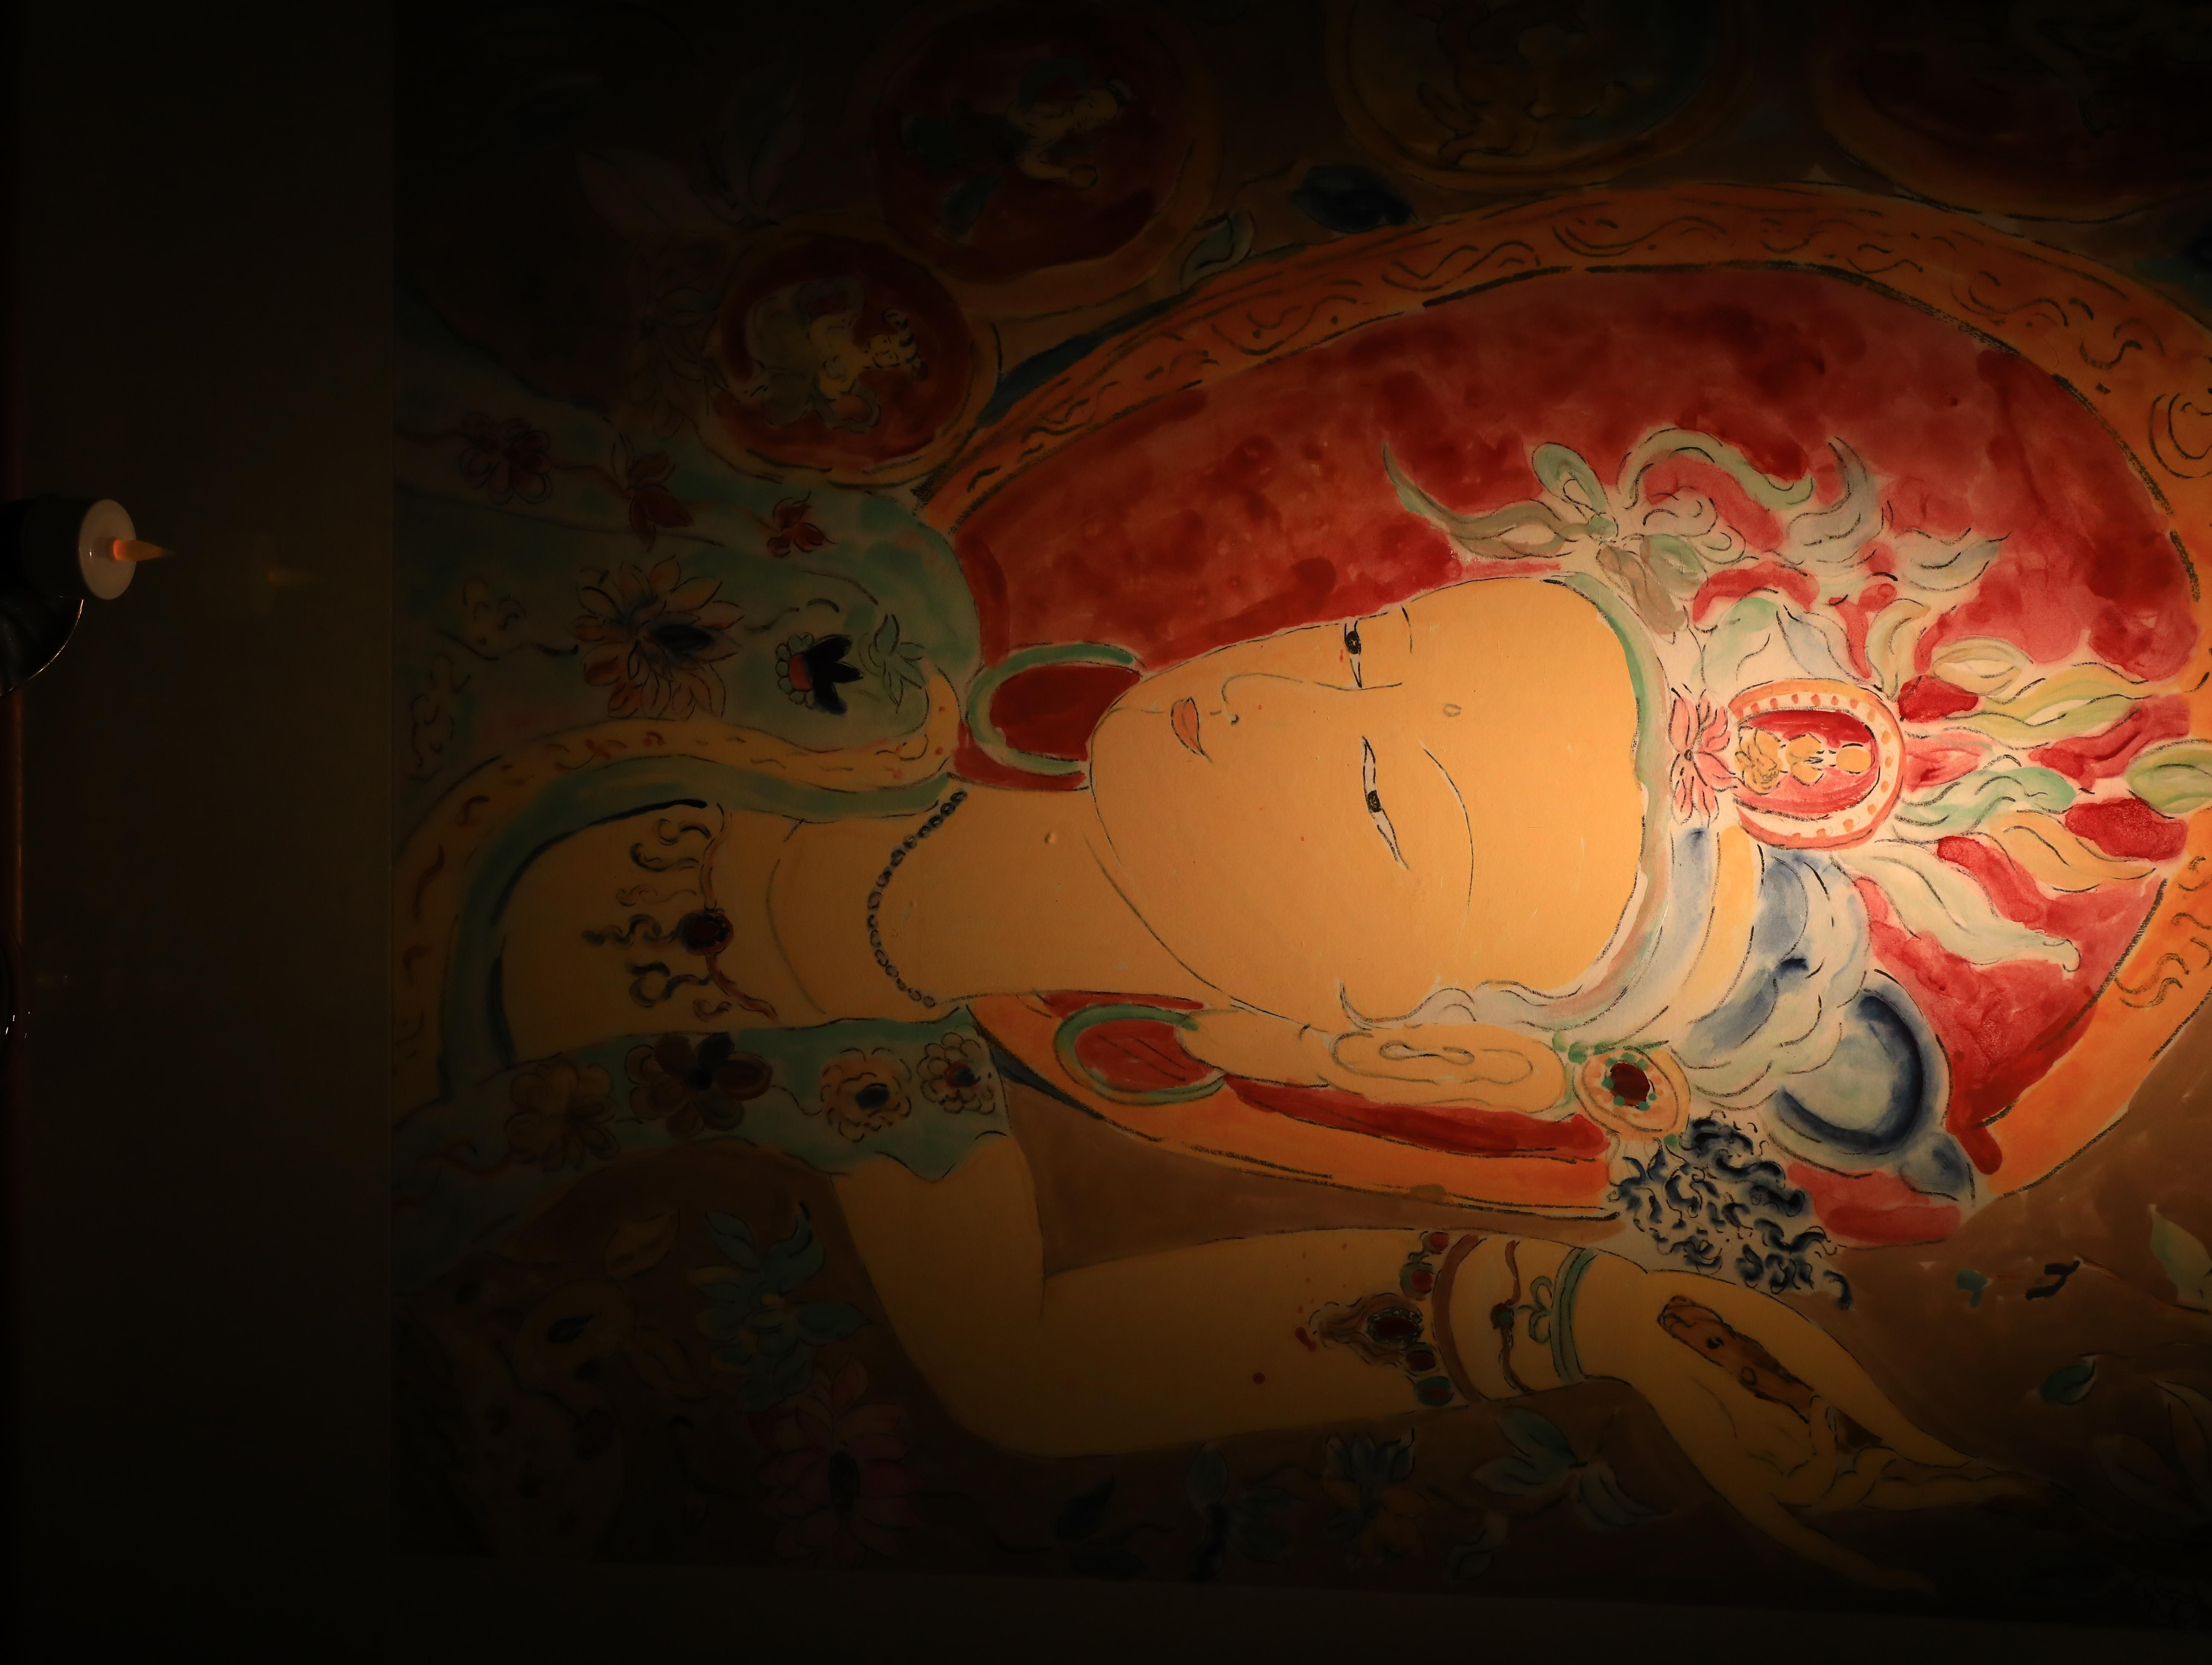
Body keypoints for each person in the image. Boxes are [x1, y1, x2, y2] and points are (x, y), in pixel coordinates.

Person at [397, 425, 2185, 1587]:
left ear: (1393, 1041)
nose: (1269, 710)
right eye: (1360, 652)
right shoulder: (841, 605)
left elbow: (1032, 1372)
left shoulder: (889, 1100)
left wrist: (1622, 1327)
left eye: (1381, 807)